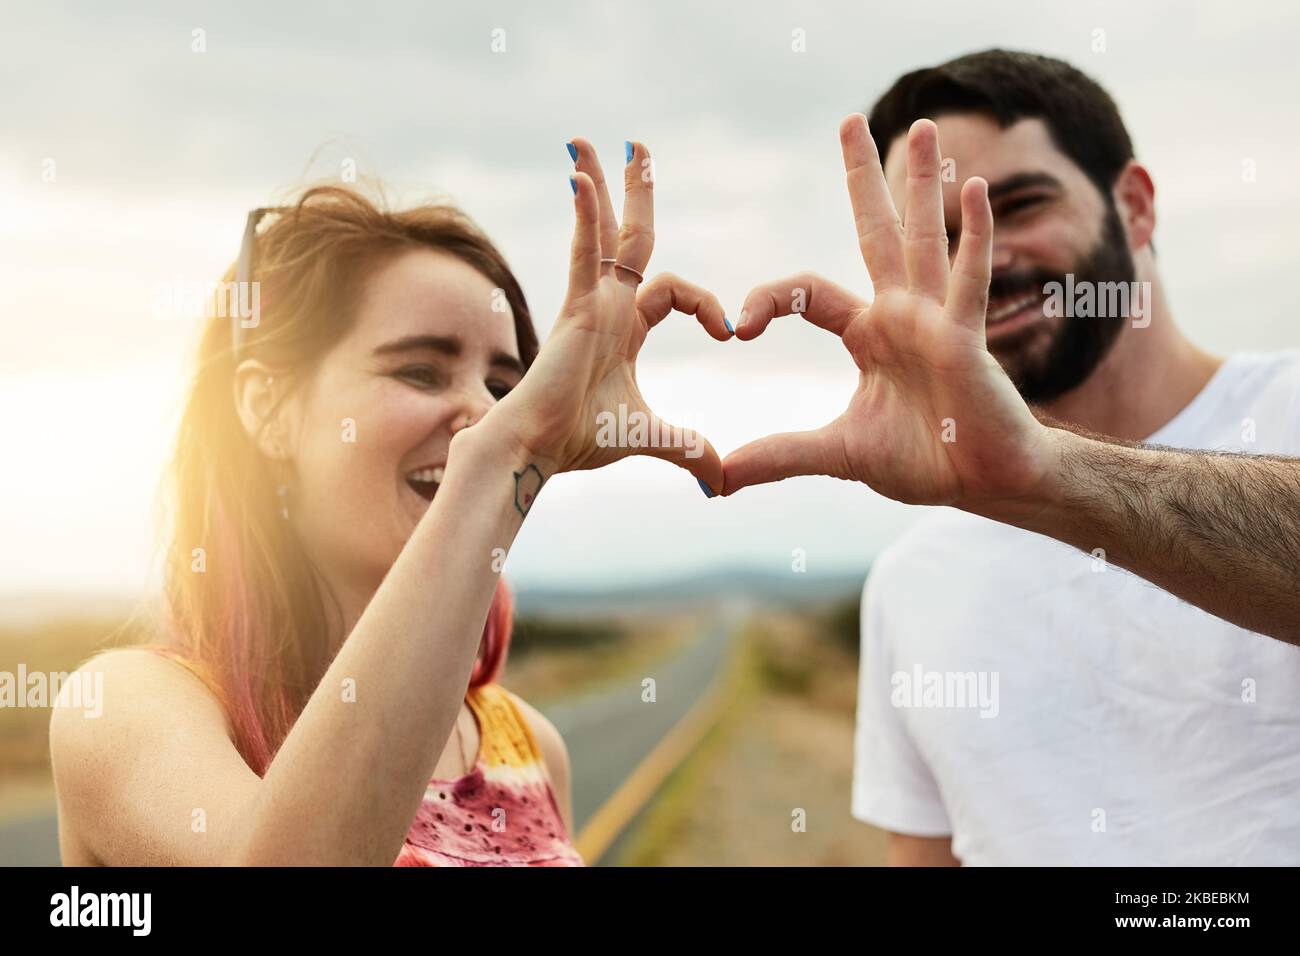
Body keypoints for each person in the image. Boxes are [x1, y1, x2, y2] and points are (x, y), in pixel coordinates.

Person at [49, 139, 731, 866]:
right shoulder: (131, 707)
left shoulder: (530, 745)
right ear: (267, 409)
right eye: (421, 371)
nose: (485, 413)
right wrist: (502, 454)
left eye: (505, 387)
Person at [719, 50, 1300, 864]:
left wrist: (1049, 474)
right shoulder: (910, 584)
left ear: (1134, 206)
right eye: (942, 235)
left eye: (1017, 205)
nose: (983, 264)